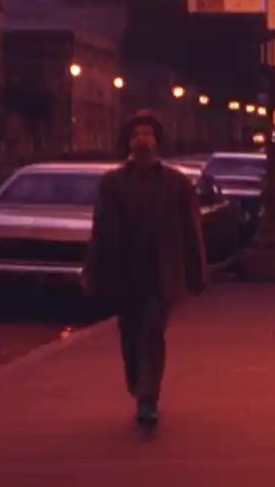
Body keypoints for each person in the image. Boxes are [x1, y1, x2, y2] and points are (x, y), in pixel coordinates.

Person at [83, 110, 207, 426]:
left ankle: (147, 398)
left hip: (161, 273)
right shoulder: (112, 184)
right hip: (125, 272)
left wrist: (196, 273)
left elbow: (191, 231)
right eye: (136, 134)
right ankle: (138, 382)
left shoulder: (176, 183)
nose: (142, 140)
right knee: (130, 336)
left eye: (148, 134)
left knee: (152, 334)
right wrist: (93, 271)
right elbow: (101, 230)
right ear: (127, 141)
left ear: (157, 141)